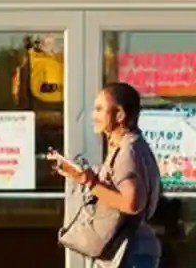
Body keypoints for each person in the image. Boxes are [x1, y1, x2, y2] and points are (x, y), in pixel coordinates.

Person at [53, 81, 162, 268]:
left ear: (119, 114)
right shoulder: (133, 146)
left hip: (127, 253)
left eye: (99, 109)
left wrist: (90, 183)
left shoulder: (127, 151)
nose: (93, 116)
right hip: (130, 249)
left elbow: (131, 203)